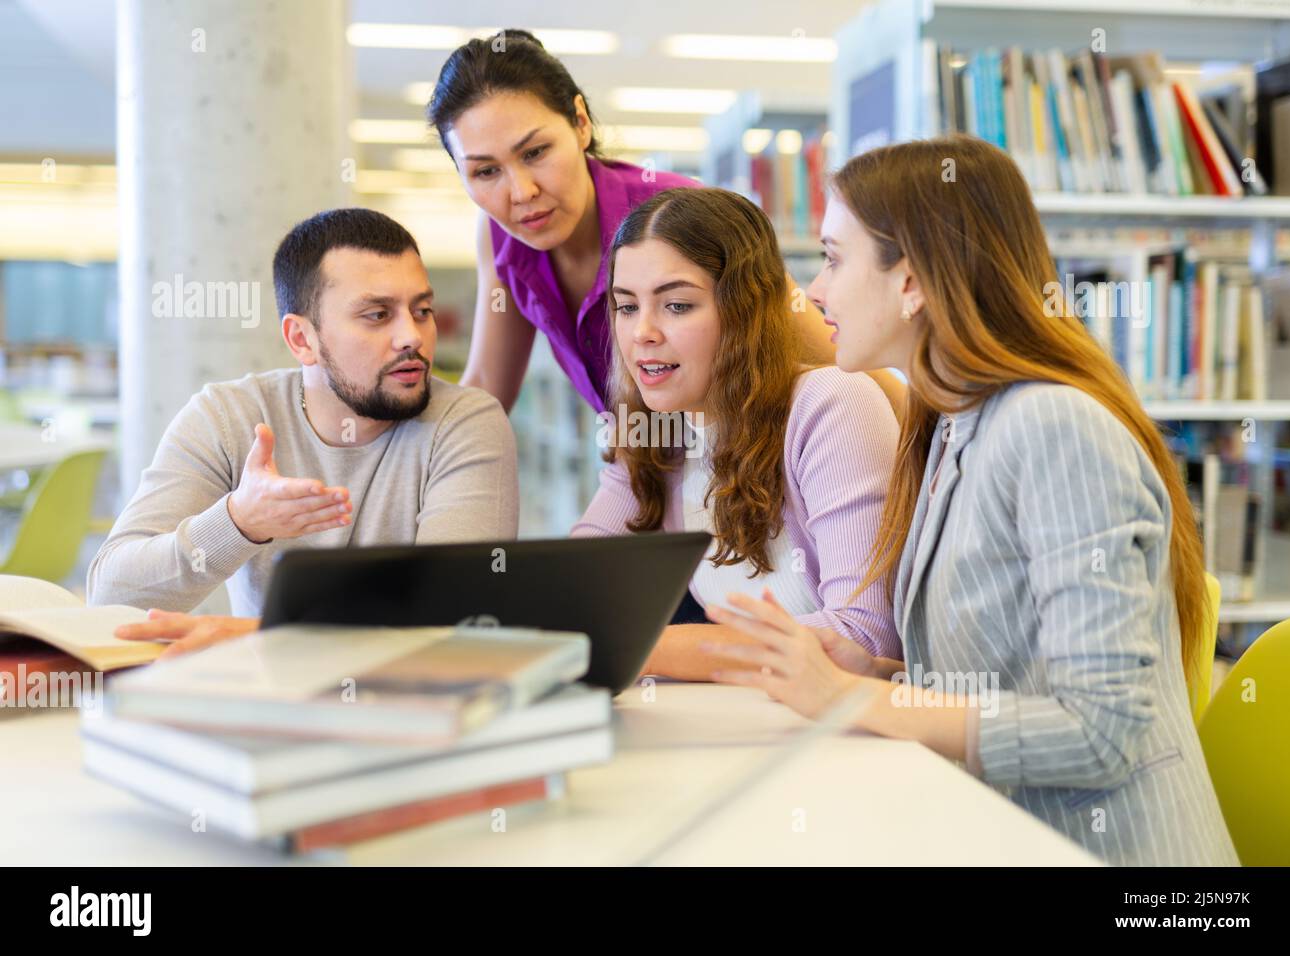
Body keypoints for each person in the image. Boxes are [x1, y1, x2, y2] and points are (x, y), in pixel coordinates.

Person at [703, 134, 1239, 866]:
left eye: (833, 258)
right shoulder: (951, 425)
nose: (815, 292)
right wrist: (870, 671)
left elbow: (1100, 731)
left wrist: (846, 698)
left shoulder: (1056, 428)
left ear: (913, 281)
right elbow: (1001, 683)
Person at [94, 208, 518, 657]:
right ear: (301, 339)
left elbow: (455, 621)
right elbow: (112, 596)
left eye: (422, 310)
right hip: (272, 710)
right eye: (377, 315)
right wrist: (239, 523)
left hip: (412, 710)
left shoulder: (466, 422)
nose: (411, 336)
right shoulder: (226, 417)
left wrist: (263, 636)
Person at [426, 28, 905, 418]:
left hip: (758, 469)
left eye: (535, 152)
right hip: (644, 465)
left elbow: (840, 361)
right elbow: (488, 387)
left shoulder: (675, 211)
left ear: (580, 122)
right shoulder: (500, 239)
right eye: (486, 171)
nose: (521, 192)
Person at [571, 187, 901, 680]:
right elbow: (576, 587)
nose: (642, 333)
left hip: (841, 737)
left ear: (744, 311)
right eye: (626, 307)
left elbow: (861, 634)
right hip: (745, 725)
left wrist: (635, 645)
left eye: (677, 306)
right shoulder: (652, 430)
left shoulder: (831, 404)